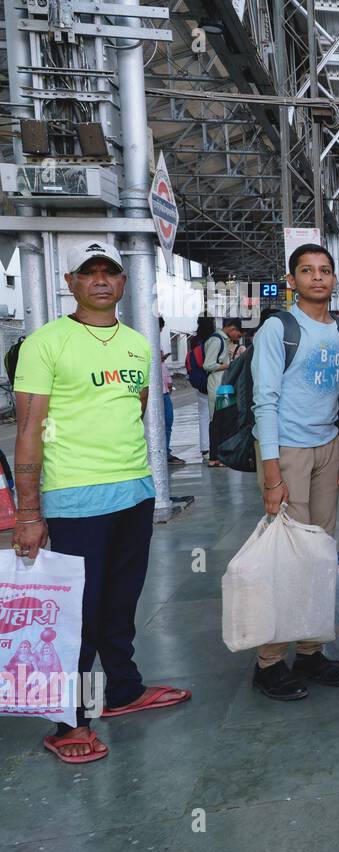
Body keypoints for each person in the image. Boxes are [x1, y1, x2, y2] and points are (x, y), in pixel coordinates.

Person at [12, 240, 191, 764]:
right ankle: (68, 721)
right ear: (70, 281)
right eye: (88, 273)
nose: (100, 281)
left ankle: (124, 690)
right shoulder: (45, 343)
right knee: (79, 617)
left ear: (122, 281)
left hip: (132, 491)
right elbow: (27, 431)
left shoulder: (137, 344)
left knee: (119, 603)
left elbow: (131, 410)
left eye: (109, 272)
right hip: (74, 499)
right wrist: (28, 513)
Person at [249, 243, 339, 700]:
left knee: (321, 552)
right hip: (288, 450)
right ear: (292, 281)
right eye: (307, 271)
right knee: (287, 554)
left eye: (325, 270)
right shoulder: (279, 328)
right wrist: (273, 473)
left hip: (327, 449)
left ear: (335, 279)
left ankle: (312, 650)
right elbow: (265, 402)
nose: (318, 277)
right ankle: (269, 661)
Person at [202, 316, 244, 467]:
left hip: (222, 387)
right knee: (217, 422)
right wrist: (229, 366)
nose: (237, 338)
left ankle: (218, 457)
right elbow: (208, 365)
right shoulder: (217, 340)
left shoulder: (222, 340)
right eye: (238, 335)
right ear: (232, 329)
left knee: (223, 422)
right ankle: (214, 457)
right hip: (217, 386)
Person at [190, 314, 216, 460]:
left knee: (203, 416)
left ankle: (205, 448)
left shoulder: (195, 340)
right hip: (213, 380)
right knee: (216, 416)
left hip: (200, 383)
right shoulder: (213, 339)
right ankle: (215, 446)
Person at [158, 316, 183, 465]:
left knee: (168, 421)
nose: (160, 331)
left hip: (164, 390)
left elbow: (162, 367)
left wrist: (168, 381)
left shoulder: (157, 343)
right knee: (163, 423)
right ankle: (162, 453)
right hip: (157, 392)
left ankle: (165, 451)